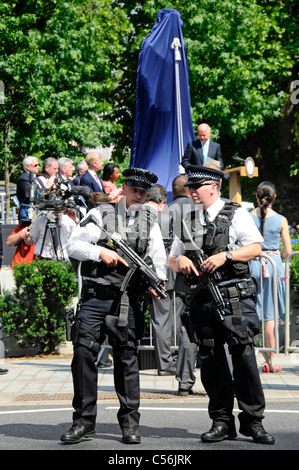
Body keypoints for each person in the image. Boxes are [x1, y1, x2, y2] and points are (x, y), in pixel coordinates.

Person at [169, 165, 275, 445]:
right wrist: (178, 261)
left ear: (214, 187)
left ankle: (253, 422)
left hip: (233, 298)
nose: (191, 192)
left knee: (244, 358)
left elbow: (254, 247)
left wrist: (226, 255)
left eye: (196, 187)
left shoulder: (236, 213)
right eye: (189, 188)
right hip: (203, 299)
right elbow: (172, 256)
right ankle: (221, 421)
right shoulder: (188, 219)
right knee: (211, 360)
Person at [60, 167, 166, 445]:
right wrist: (100, 252)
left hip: (128, 300)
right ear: (124, 189)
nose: (139, 196)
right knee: (83, 354)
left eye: (144, 193)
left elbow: (158, 259)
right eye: (135, 191)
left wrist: (158, 279)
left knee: (127, 359)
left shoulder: (149, 221)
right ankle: (83, 422)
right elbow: (72, 246)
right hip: (95, 298)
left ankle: (130, 424)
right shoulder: (99, 214)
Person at [249, 181, 292, 373]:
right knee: (270, 317)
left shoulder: (248, 217)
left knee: (249, 312)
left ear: (256, 197)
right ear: (274, 197)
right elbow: (288, 251)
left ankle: (249, 358)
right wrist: (278, 256)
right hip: (273, 265)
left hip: (252, 263)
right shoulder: (281, 219)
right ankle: (269, 362)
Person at [167, 175, 198, 395]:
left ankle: (184, 382)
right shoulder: (194, 210)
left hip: (182, 279)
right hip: (190, 278)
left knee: (187, 330)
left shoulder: (168, 209)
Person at [145, 184, 176, 375]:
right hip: (158, 271)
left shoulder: (131, 213)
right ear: (162, 202)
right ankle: (165, 364)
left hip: (135, 272)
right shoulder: (167, 216)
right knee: (162, 319)